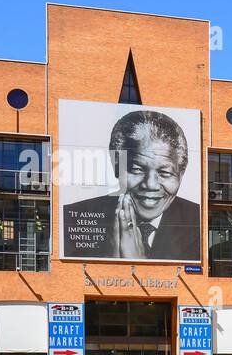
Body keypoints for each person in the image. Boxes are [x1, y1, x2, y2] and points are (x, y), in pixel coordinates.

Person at [59, 109, 201, 260]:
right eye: (137, 169)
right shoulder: (72, 218)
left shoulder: (199, 222)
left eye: (165, 173)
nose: (151, 185)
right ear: (116, 167)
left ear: (181, 174)